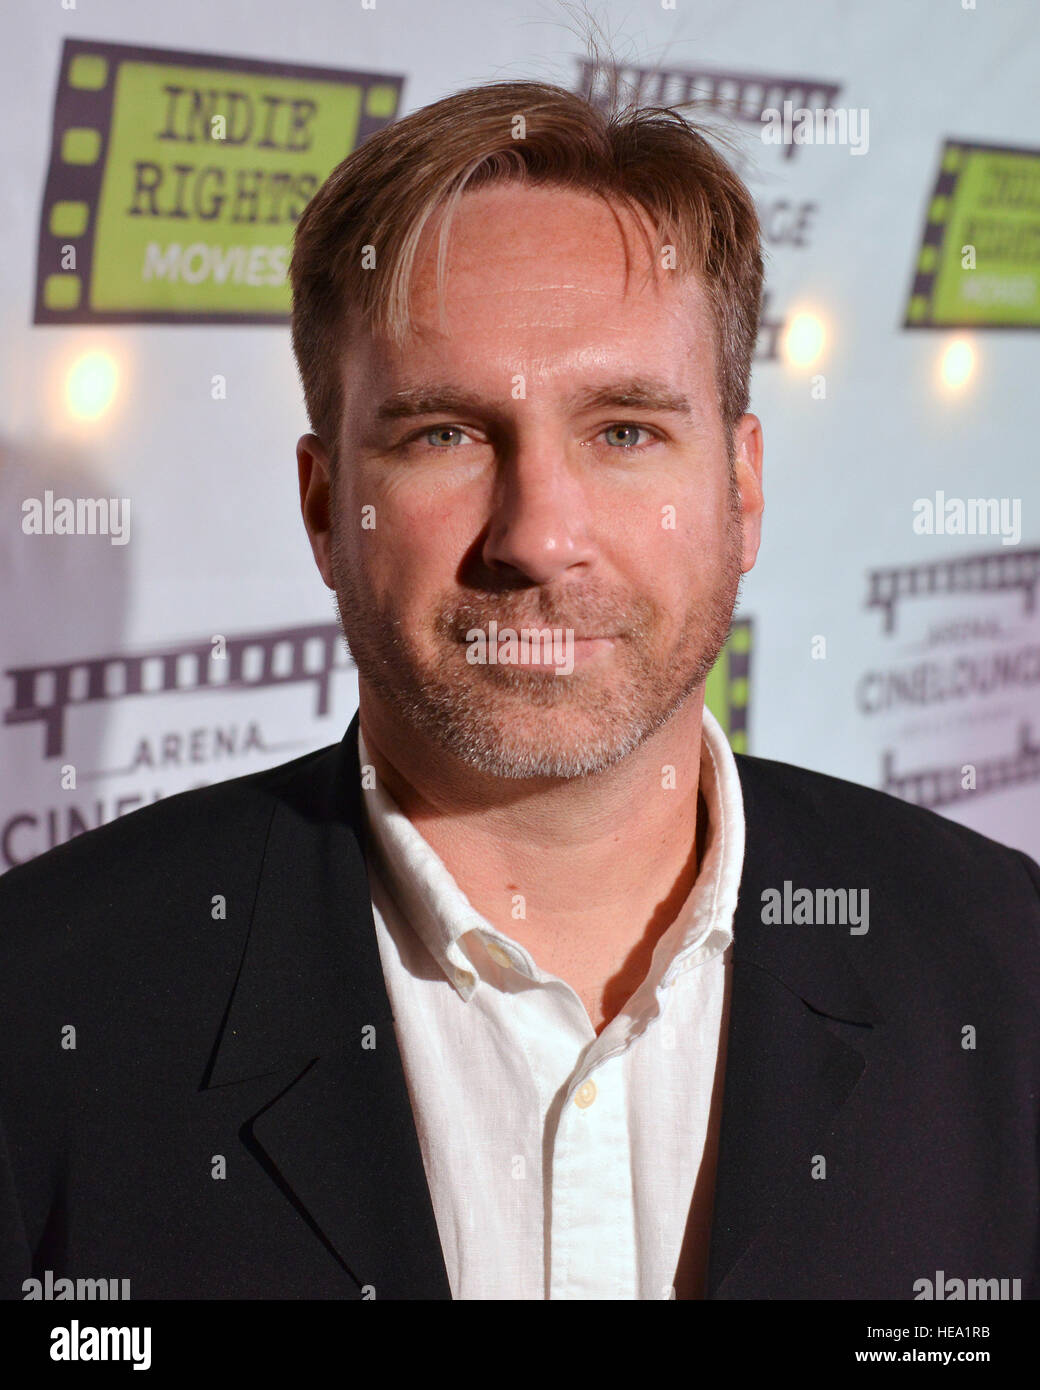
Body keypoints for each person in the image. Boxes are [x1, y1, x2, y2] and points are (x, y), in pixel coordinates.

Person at [1, 80, 1038, 1302]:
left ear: (741, 493)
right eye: (443, 433)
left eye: (624, 431)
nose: (539, 535)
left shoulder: (1003, 966)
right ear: (327, 508)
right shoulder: (44, 1008)